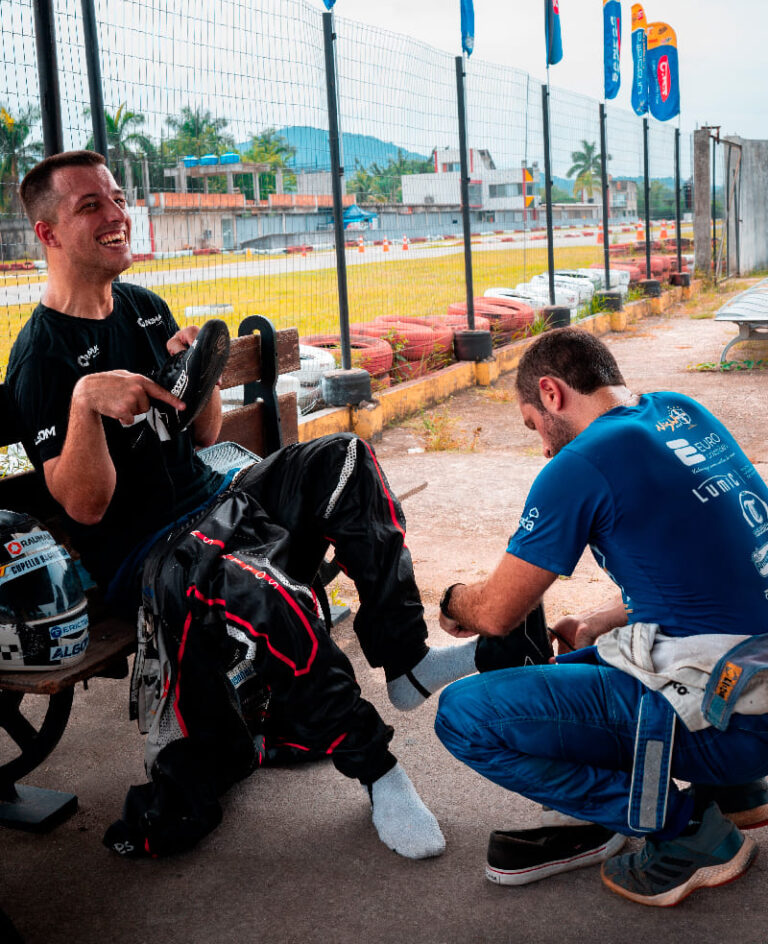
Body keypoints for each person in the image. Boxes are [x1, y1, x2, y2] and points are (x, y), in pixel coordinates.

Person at [6, 149, 497, 860]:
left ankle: (408, 660)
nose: (116, 216)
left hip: (217, 499)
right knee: (262, 586)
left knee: (343, 460)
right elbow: (85, 508)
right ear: (48, 233)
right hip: (152, 557)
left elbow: (201, 436)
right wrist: (86, 405)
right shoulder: (42, 357)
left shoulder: (143, 309)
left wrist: (196, 375)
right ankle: (380, 771)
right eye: (91, 207)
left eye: (116, 199)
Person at [434, 325, 768, 906]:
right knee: (589, 658)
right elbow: (712, 566)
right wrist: (599, 621)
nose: (542, 446)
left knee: (465, 718)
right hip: (752, 677)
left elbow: (496, 615)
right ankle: (738, 792)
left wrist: (452, 601)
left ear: (551, 392)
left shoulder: (582, 463)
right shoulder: (681, 413)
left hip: (732, 713)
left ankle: (687, 832)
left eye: (533, 424)